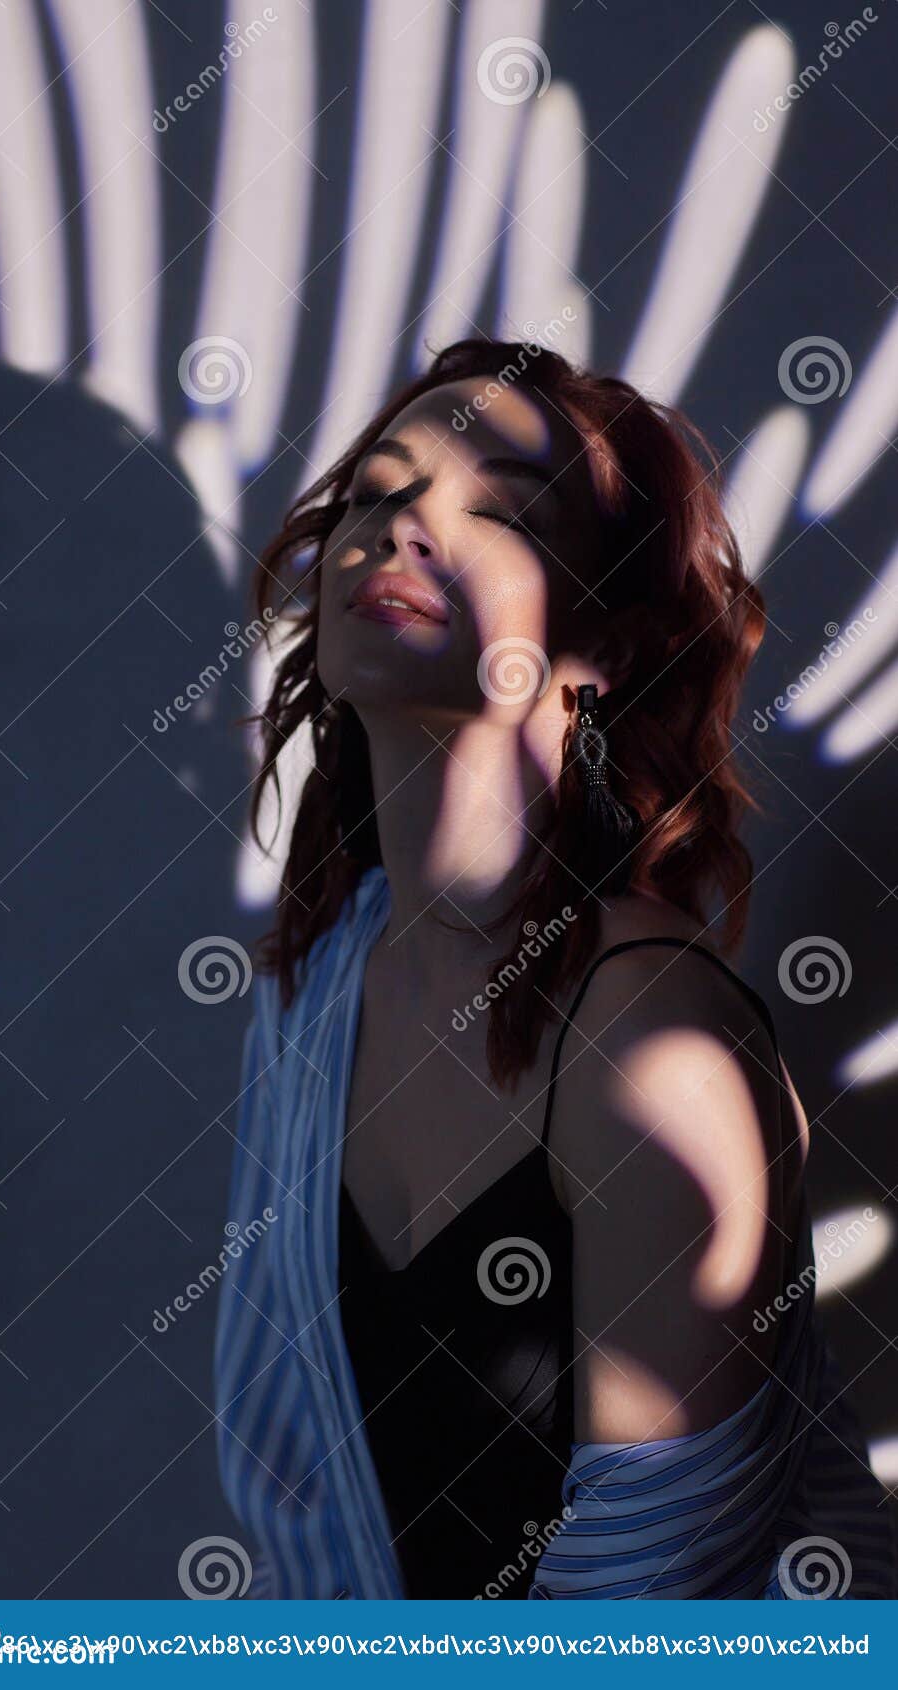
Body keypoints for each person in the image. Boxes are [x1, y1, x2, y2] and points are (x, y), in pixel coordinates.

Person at [213, 339, 895, 1599]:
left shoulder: (648, 1036)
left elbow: (650, 1589)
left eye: (496, 511)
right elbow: (294, 1496)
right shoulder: (314, 982)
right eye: (378, 489)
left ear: (600, 651)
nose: (405, 523)